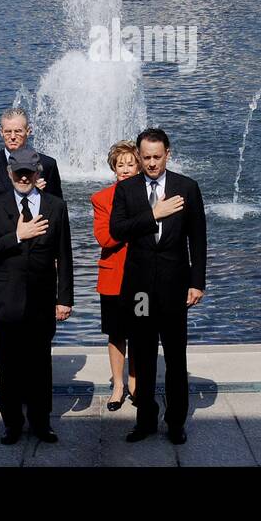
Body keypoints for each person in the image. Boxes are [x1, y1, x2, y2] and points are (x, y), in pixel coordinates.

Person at [109, 127, 207, 445]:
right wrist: (154, 214)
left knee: (177, 358)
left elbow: (198, 239)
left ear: (168, 153)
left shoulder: (187, 187)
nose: (151, 163)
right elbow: (118, 230)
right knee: (144, 354)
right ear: (138, 156)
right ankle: (145, 420)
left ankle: (175, 421)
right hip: (138, 289)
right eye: (146, 157)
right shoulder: (128, 189)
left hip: (175, 286)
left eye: (157, 156)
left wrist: (197, 282)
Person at [0, 147, 73, 445]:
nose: (22, 177)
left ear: (37, 173)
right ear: (8, 173)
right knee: (8, 366)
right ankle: (12, 425)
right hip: (6, 299)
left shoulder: (56, 206)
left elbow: (65, 256)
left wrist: (64, 299)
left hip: (41, 300)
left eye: (28, 172)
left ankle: (41, 424)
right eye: (17, 172)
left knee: (40, 364)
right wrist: (18, 235)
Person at [0, 107, 64, 409]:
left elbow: (58, 212)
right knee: (4, 329)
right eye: (8, 131)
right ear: (1, 132)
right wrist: (18, 198)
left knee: (37, 329)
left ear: (29, 131)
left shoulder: (46, 165)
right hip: (0, 262)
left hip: (37, 264)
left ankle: (35, 390)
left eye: (18, 131)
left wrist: (39, 197)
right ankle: (8, 387)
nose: (13, 136)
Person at [90, 140, 140, 411]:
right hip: (114, 277)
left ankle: (135, 383)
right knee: (116, 333)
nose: (125, 169)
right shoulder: (101, 199)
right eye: (120, 164)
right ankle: (118, 386)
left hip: (143, 276)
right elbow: (104, 238)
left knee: (140, 332)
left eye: (130, 164)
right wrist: (135, 226)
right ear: (113, 168)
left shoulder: (150, 195)